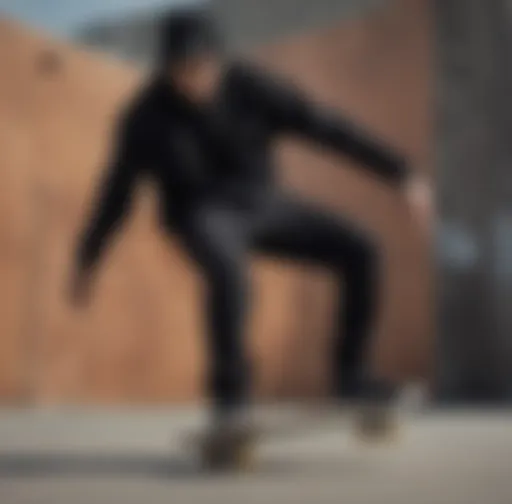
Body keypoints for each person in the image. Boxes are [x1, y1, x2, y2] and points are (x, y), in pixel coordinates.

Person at [70, 9, 430, 433]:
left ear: (217, 60)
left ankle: (351, 376)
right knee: (227, 270)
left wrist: (401, 173)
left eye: (200, 68)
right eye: (180, 71)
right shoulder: (144, 116)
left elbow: (326, 127)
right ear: (165, 69)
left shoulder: (252, 87)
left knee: (361, 249)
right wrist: (88, 255)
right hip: (196, 214)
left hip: (263, 205)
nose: (192, 81)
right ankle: (231, 399)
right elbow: (117, 192)